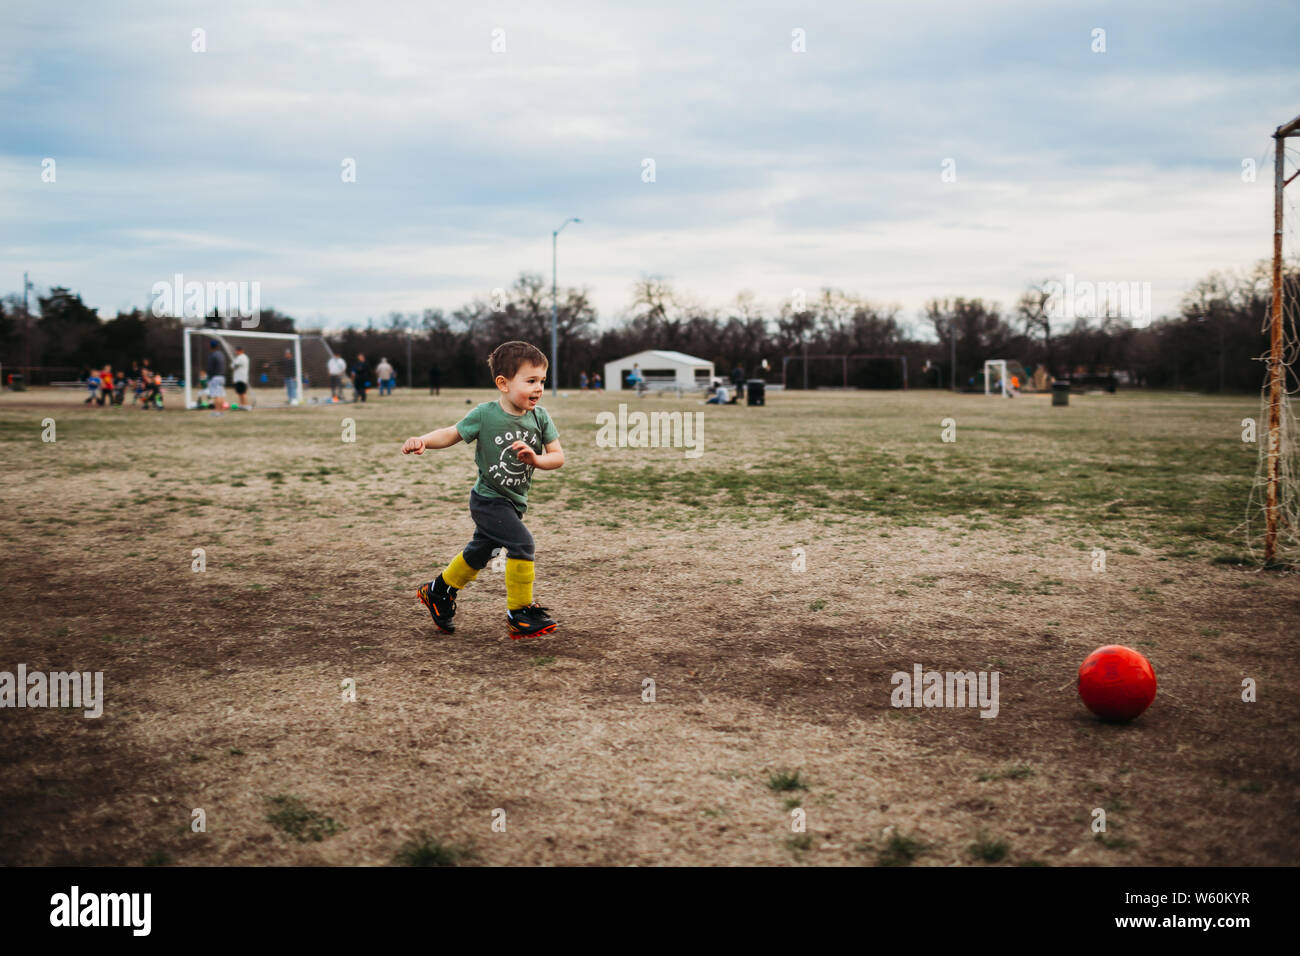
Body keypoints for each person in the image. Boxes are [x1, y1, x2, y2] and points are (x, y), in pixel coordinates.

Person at [403, 340, 564, 639]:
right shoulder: (485, 415)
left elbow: (558, 457)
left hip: (514, 502)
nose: (539, 388)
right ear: (503, 383)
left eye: (542, 380)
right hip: (488, 500)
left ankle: (438, 591)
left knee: (482, 551)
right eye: (531, 381)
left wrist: (536, 459)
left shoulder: (540, 418)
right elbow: (452, 434)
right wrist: (422, 440)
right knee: (523, 545)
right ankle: (520, 613)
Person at [206, 340, 227, 411]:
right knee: (220, 394)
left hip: (214, 377)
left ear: (211, 346)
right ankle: (221, 410)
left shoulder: (212, 355)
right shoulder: (221, 354)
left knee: (216, 395)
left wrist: (208, 378)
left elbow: (210, 368)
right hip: (222, 377)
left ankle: (217, 411)